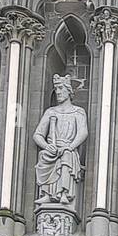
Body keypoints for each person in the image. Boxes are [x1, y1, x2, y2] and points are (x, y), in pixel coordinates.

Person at [33, 75, 88, 206]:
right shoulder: (50, 112)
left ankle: (64, 192)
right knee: (44, 156)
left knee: (67, 157)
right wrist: (47, 146)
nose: (58, 92)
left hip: (67, 148)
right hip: (52, 148)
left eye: (60, 88)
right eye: (56, 89)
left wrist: (70, 146)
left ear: (69, 91)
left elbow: (83, 132)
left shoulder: (78, 112)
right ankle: (47, 193)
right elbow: (38, 135)